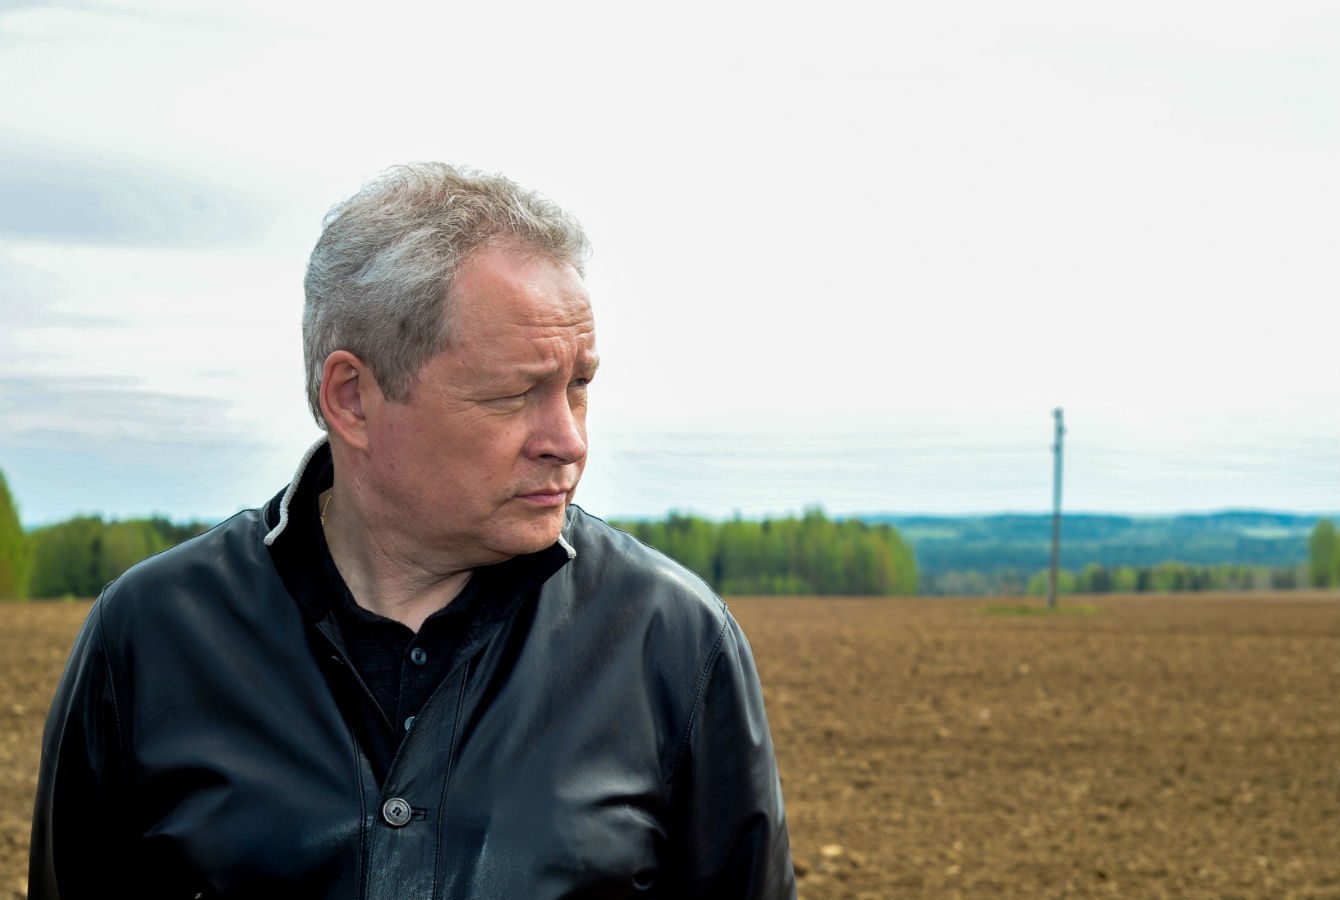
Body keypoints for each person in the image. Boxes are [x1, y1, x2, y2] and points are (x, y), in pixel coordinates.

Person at [28, 164, 795, 899]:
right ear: (353, 398)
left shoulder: (672, 641)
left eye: (578, 386)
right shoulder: (151, 635)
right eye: (515, 395)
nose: (568, 440)